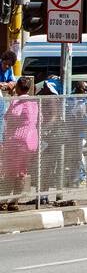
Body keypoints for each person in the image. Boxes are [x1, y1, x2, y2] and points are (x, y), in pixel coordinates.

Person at [0, 78, 38, 207]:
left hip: (17, 140)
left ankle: (3, 200)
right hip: (31, 140)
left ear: (18, 88)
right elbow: (40, 119)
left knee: (10, 171)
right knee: (22, 171)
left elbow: (10, 117)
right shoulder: (34, 102)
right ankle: (15, 200)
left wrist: (12, 100)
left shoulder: (17, 101)